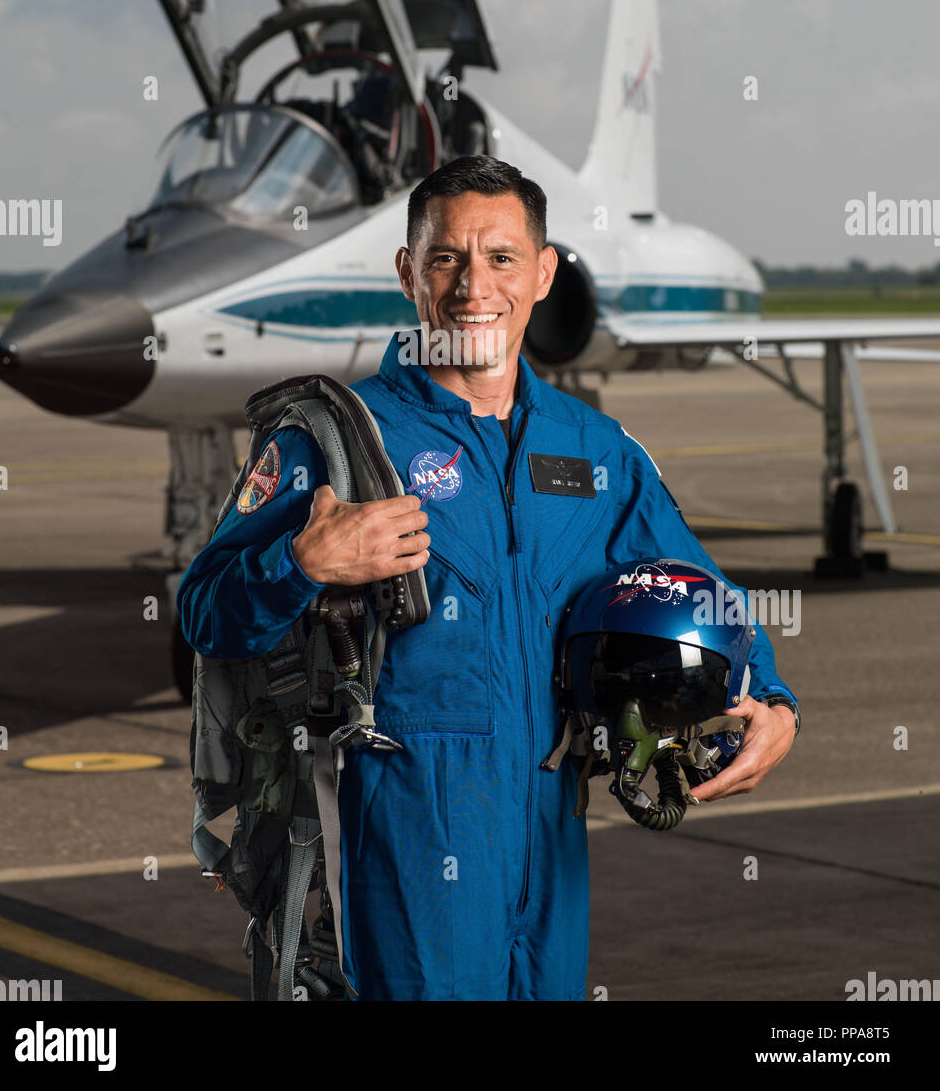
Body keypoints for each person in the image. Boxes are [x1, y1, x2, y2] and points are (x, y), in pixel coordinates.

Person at [177, 154, 798, 1001]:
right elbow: (205, 613)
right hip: (403, 814)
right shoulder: (335, 443)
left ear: (542, 272)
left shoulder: (595, 449)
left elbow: (698, 592)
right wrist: (300, 564)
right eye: (446, 259)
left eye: (501, 258)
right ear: (408, 273)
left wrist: (771, 700)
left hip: (550, 813)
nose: (474, 286)